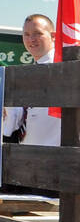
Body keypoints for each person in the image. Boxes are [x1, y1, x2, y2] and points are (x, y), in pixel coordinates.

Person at [2, 15, 59, 147]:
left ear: (53, 36)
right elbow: (13, 122)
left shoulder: (62, 70)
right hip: (25, 154)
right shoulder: (25, 74)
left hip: (55, 156)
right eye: (26, 34)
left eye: (37, 33)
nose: (31, 39)